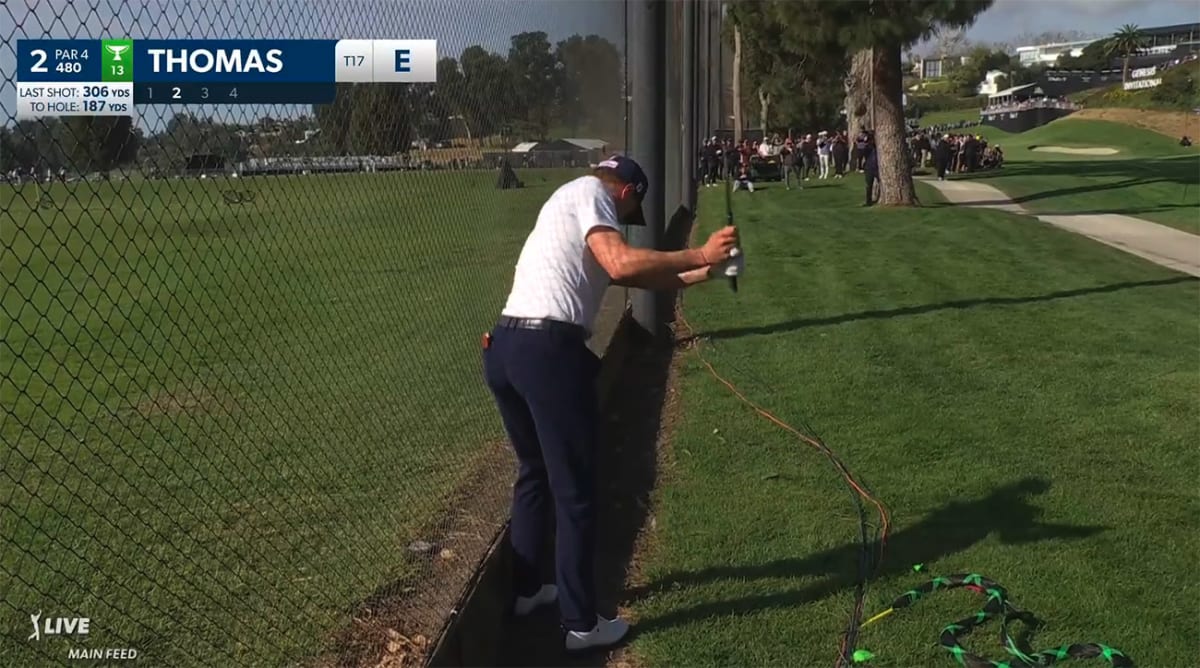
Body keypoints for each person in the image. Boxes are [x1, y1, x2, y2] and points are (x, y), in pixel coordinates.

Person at [483, 155, 739, 653]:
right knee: (575, 492)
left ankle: (529, 589)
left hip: (506, 348)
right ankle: (581, 624)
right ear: (627, 192)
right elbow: (623, 261)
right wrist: (697, 251)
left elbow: (645, 276)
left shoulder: (566, 209)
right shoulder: (592, 195)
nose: (623, 222)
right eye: (629, 213)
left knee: (534, 471)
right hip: (548, 354)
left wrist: (711, 267)